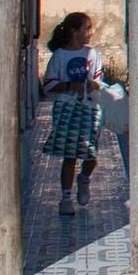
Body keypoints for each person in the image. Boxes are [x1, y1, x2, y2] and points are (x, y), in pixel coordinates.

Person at [40, 12, 104, 216]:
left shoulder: (93, 54)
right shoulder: (59, 56)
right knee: (70, 154)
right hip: (66, 107)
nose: (90, 32)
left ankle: (84, 178)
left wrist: (92, 84)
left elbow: (98, 79)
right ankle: (65, 198)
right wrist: (69, 85)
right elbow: (49, 84)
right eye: (86, 28)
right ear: (73, 31)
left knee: (91, 151)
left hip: (89, 106)